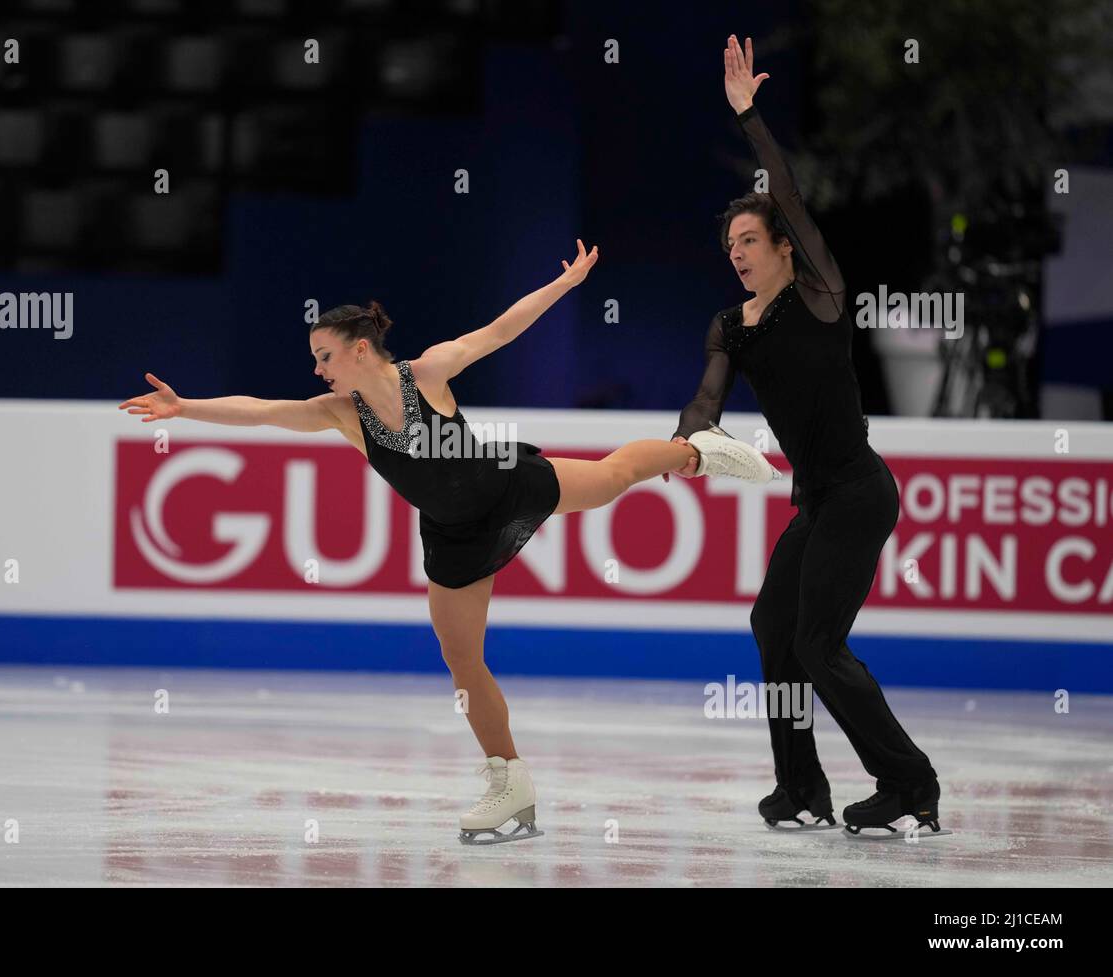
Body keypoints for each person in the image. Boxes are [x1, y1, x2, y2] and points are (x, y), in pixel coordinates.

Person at [121, 239, 778, 844]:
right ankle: (510, 781)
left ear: (357, 348)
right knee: (461, 658)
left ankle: (695, 451)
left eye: (323, 354)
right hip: (452, 536)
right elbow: (262, 411)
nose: (317, 368)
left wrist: (566, 284)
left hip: (501, 486)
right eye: (313, 358)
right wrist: (188, 408)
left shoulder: (427, 372)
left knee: (611, 477)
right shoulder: (339, 414)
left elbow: (501, 328)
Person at [665, 37, 941, 835]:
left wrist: (749, 115)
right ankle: (802, 786)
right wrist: (687, 445)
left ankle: (910, 781)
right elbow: (705, 400)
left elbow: (783, 189)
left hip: (860, 492)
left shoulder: (820, 294)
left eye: (750, 241)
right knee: (772, 626)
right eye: (730, 247)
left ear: (784, 245)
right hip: (817, 499)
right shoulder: (731, 325)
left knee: (820, 643)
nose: (738, 254)